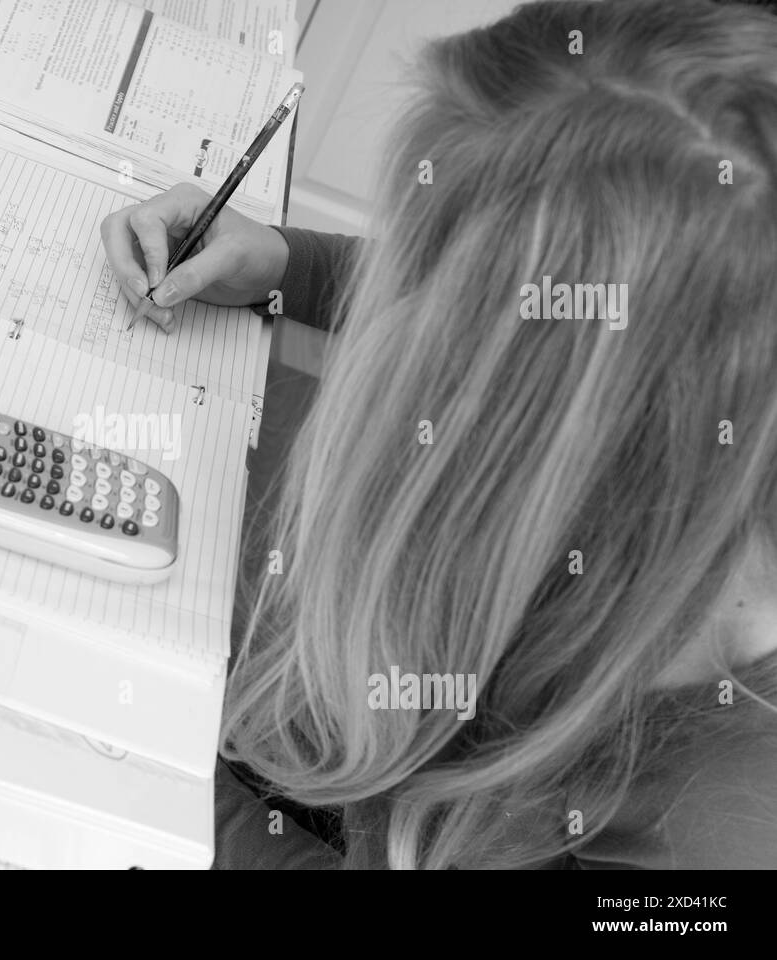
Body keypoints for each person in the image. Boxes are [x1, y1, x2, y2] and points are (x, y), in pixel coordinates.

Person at [99, 0, 777, 869]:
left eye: (422, 300)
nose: (391, 319)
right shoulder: (694, 403)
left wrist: (144, 773)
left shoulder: (703, 848)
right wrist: (285, 262)